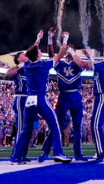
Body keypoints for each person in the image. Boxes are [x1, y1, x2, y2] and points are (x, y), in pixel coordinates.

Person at [14, 31, 71, 164]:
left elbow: (31, 51)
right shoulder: (43, 65)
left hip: (29, 99)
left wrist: (38, 38)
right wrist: (65, 39)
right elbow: (61, 54)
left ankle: (16, 156)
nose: (40, 51)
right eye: (39, 51)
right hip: (40, 98)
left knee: (25, 129)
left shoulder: (27, 64)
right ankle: (59, 153)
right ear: (38, 55)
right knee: (54, 125)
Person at [42, 31, 86, 162]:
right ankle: (46, 150)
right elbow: (51, 56)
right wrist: (50, 39)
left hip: (75, 94)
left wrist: (73, 52)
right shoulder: (60, 64)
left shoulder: (77, 63)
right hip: (63, 96)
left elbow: (81, 63)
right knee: (55, 123)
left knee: (78, 125)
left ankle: (78, 154)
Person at [74, 45, 104, 164]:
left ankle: (103, 154)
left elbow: (83, 64)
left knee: (95, 126)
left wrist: (71, 52)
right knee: (95, 125)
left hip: (103, 96)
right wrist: (89, 56)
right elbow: (96, 66)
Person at [5, 49, 31, 163]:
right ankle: (16, 154)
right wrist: (20, 65)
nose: (25, 55)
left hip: (30, 98)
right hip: (21, 97)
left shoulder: (28, 68)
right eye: (22, 55)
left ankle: (23, 154)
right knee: (21, 128)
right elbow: (7, 73)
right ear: (18, 59)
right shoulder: (18, 68)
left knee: (28, 129)